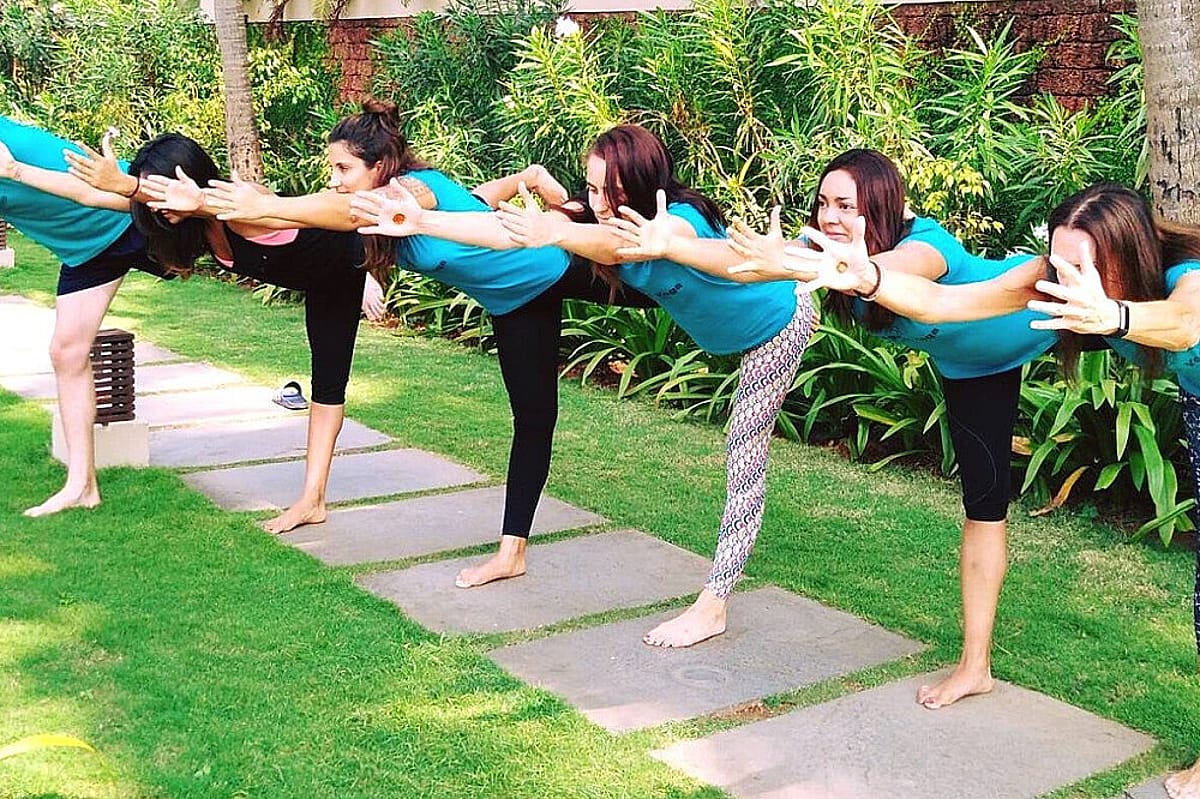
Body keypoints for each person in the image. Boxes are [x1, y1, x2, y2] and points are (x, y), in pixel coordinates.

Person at [611, 148, 1056, 700]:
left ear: (882, 203)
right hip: (971, 368)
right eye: (824, 203)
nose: (830, 216)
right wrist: (674, 245)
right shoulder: (824, 251)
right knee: (984, 509)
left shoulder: (925, 246)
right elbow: (741, 263)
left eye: (846, 204)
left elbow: (881, 274)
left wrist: (824, 265)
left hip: (1033, 315)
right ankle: (976, 668)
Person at [391, 123, 817, 648]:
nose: (599, 203)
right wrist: (421, 219)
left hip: (779, 322)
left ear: (642, 184)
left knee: (743, 452)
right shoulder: (595, 221)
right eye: (591, 189)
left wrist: (561, 232)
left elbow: (639, 246)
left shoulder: (676, 220)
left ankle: (713, 606)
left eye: (612, 193)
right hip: (735, 331)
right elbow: (505, 234)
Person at [203, 102, 657, 589]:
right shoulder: (393, 216)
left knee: (662, 279)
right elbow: (473, 201)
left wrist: (270, 205)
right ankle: (512, 553)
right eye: (331, 168)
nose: (334, 179)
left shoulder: (414, 190)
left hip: (564, 266)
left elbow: (357, 206)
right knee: (534, 419)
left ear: (379, 167)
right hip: (515, 305)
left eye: (343, 168)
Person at [7, 121, 379, 534]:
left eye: (160, 192)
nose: (157, 204)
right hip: (316, 267)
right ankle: (314, 501)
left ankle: (311, 500)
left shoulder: (241, 206)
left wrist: (367, 269)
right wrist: (15, 172)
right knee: (325, 383)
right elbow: (86, 193)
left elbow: (335, 214)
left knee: (329, 384)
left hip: (341, 269)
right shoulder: (185, 222)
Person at [0, 116, 179, 517]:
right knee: (67, 352)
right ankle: (82, 485)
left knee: (240, 251)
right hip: (85, 249)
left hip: (129, 216)